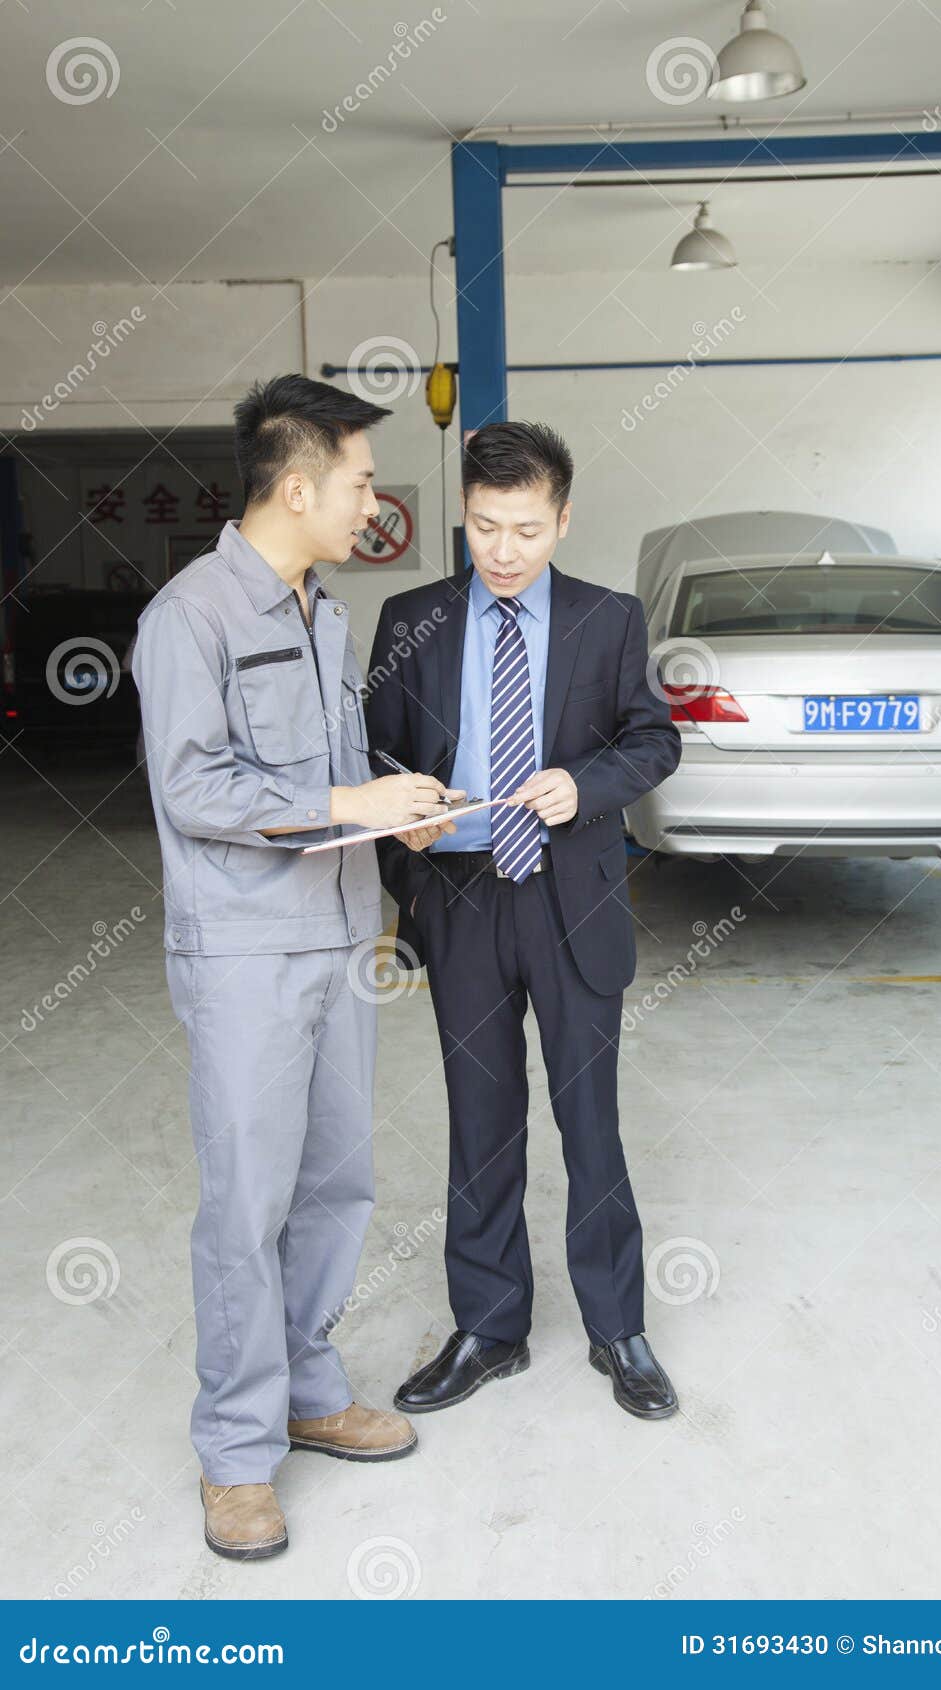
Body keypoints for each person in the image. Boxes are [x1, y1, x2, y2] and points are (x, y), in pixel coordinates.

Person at [133, 374, 458, 1560]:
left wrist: (395, 810)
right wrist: (343, 798)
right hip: (243, 954)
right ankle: (234, 1450)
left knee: (337, 1183)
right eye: (364, 481)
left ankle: (310, 1391)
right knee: (248, 1200)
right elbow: (194, 788)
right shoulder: (192, 616)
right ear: (299, 482)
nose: (373, 502)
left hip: (338, 933)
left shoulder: (324, 611)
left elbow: (336, 764)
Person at [365, 421, 683, 1422]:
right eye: (487, 527)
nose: (504, 552)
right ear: (464, 512)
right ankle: (490, 1326)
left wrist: (582, 786)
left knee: (591, 1124)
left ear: (563, 520)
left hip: (568, 901)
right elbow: (372, 758)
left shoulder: (609, 619)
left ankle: (617, 1327)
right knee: (480, 1126)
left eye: (528, 530)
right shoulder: (410, 618)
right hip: (459, 905)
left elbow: (653, 739)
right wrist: (401, 840)